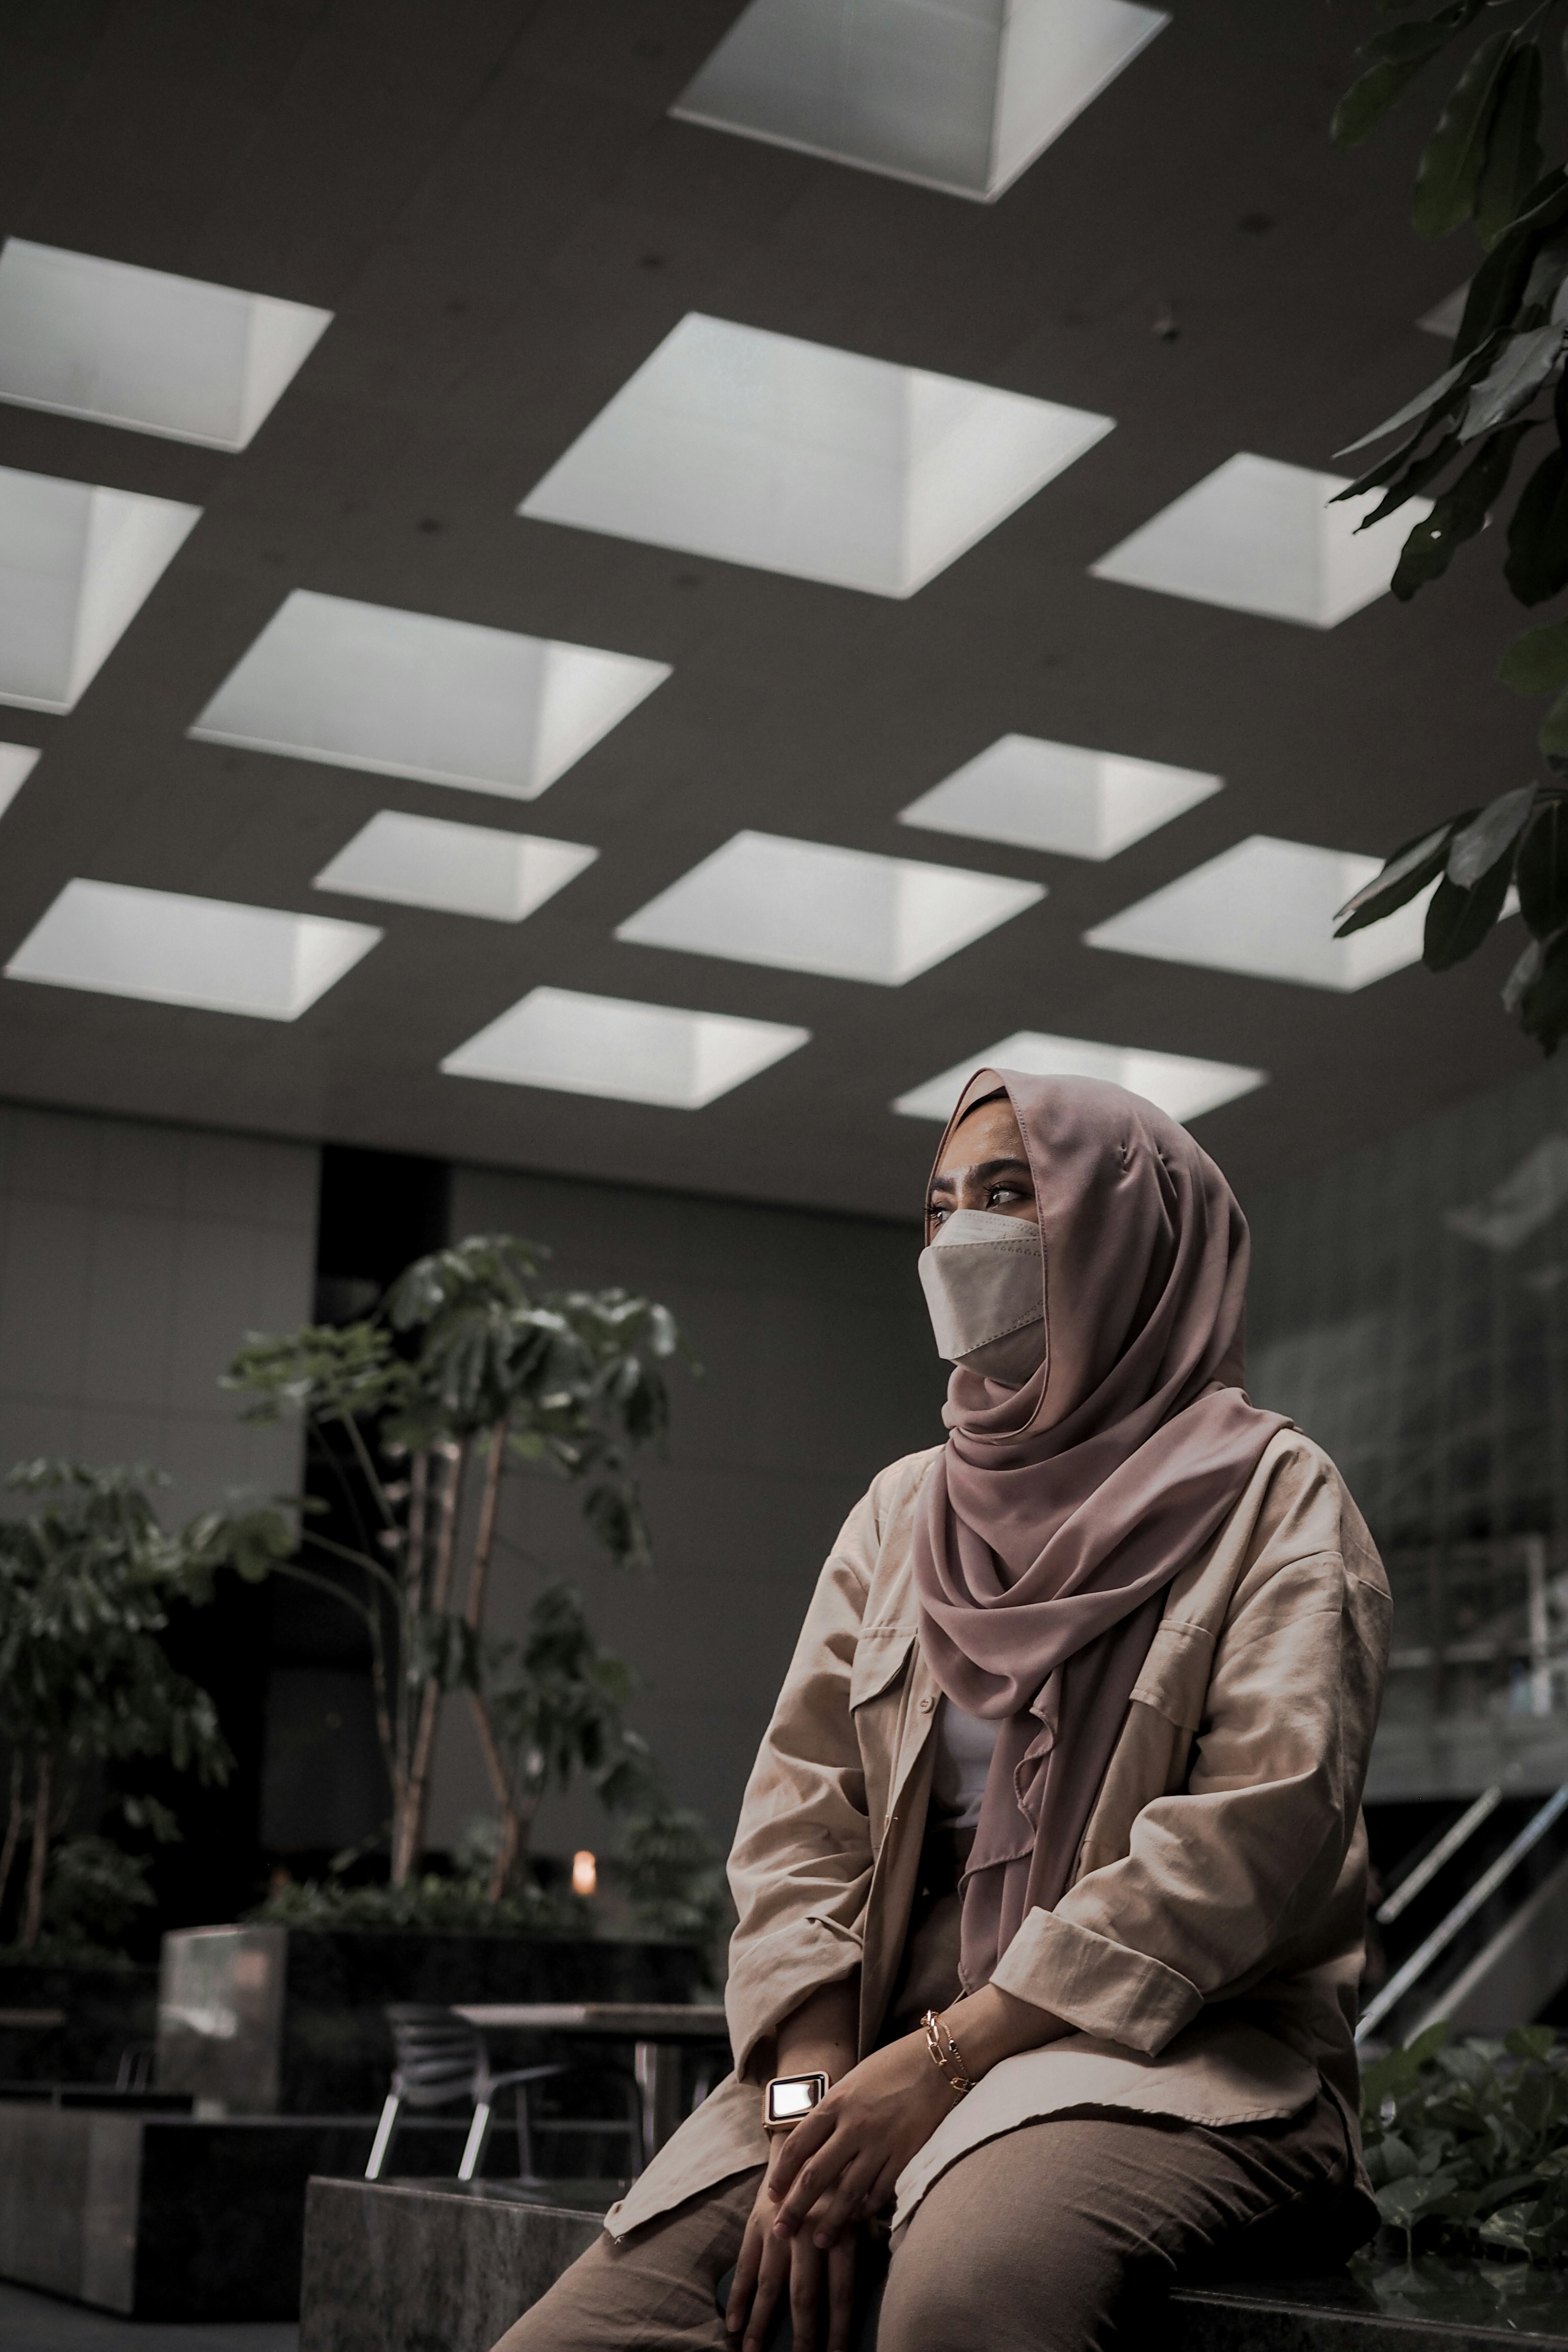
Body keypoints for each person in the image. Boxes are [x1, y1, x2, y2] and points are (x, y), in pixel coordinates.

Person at [494, 1071, 1390, 2352]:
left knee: (966, 2293)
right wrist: (806, 2114)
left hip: (1176, 2053)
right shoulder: (902, 1510)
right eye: (941, 1204)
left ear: (1129, 1231)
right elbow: (802, 1829)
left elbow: (1249, 1840)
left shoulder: (1280, 1499)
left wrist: (950, 2061)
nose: (961, 1233)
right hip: (871, 2048)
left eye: (1009, 1194)